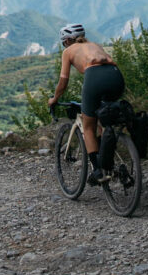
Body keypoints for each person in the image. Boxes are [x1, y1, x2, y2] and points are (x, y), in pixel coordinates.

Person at [48, 23, 125, 183]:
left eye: (64, 43)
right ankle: (108, 159)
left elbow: (63, 82)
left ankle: (98, 171)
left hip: (94, 77)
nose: (64, 45)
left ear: (67, 40)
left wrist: (54, 99)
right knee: (103, 118)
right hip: (116, 76)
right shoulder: (95, 45)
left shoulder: (68, 51)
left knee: (88, 126)